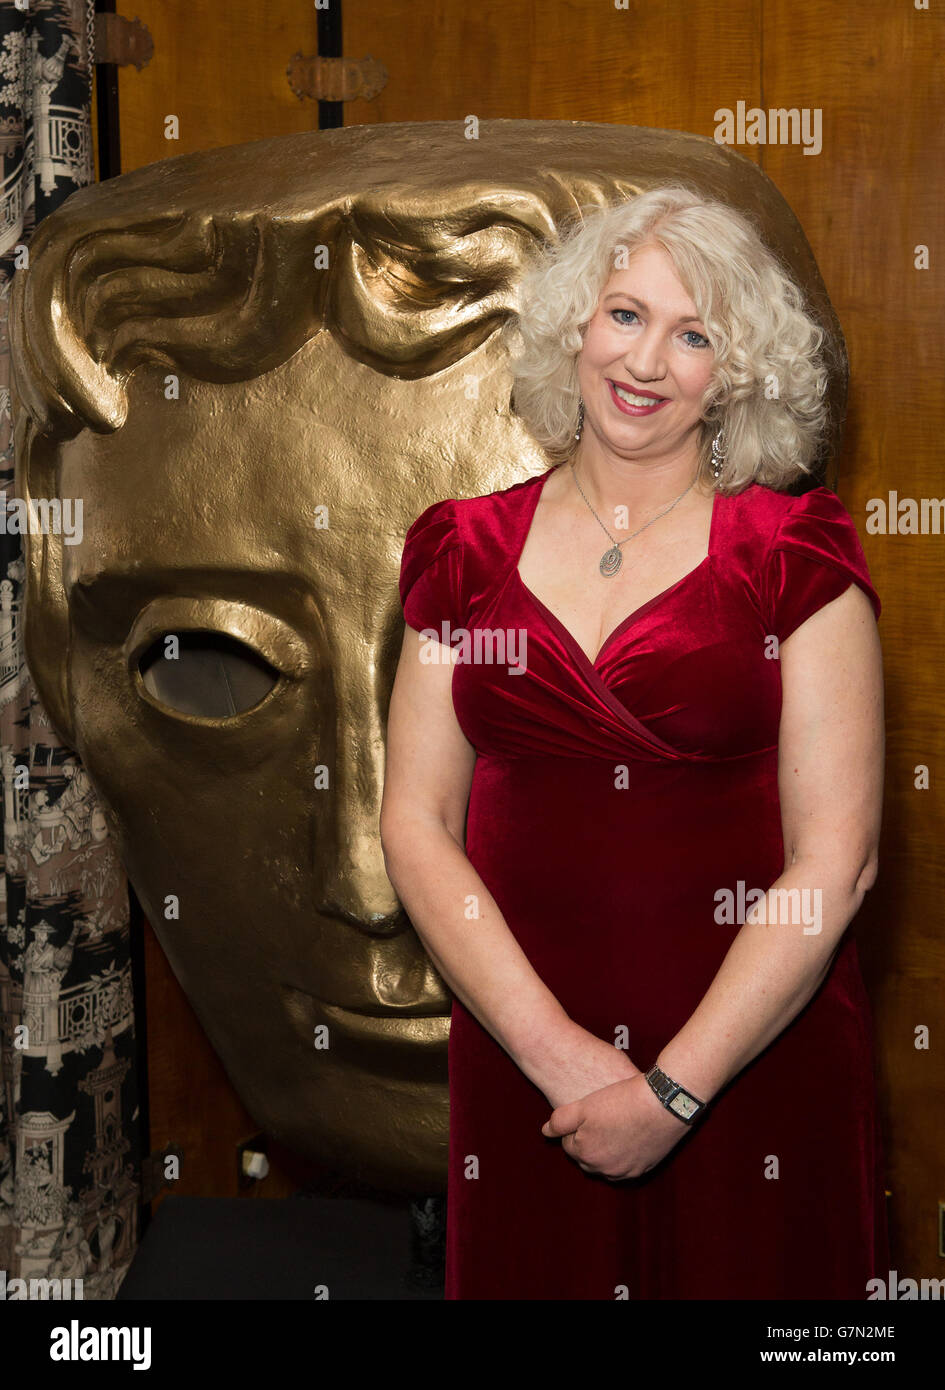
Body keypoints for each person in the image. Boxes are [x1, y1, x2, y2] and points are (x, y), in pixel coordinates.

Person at [380, 185, 888, 1300]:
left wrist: (674, 1092)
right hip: (527, 1060)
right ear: (576, 323)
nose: (646, 360)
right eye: (625, 314)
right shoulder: (461, 550)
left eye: (693, 333)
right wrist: (556, 1050)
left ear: (737, 373)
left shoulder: (794, 553)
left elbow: (836, 862)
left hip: (754, 1059)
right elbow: (413, 824)